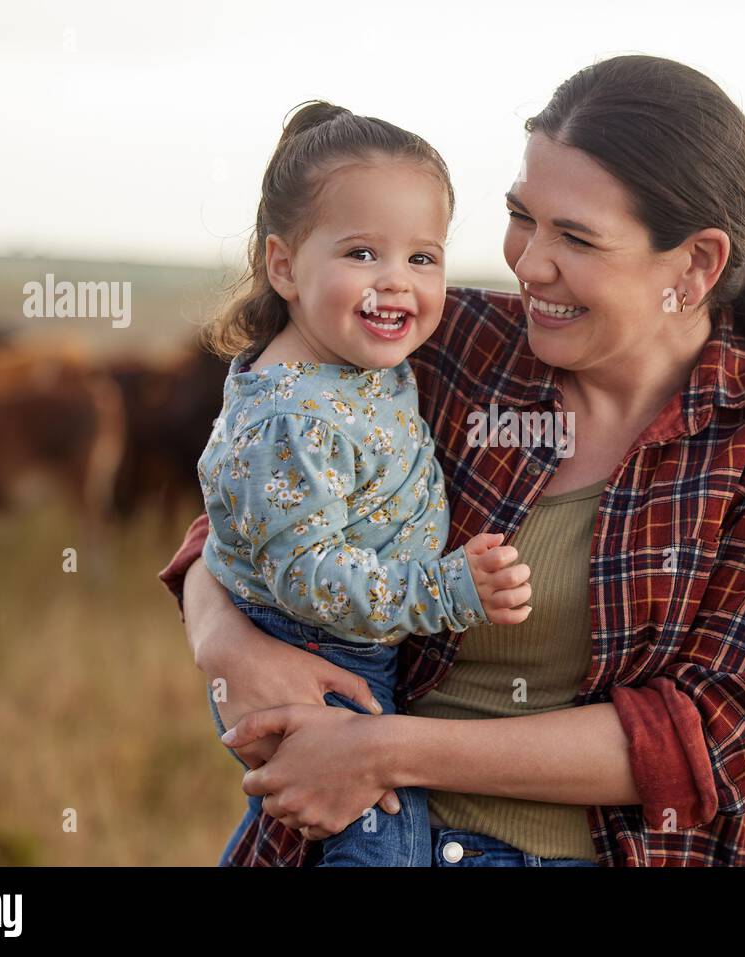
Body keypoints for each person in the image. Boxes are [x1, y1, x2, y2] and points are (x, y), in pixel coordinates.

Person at [160, 54, 745, 867]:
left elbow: (727, 735)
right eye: (520, 215)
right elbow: (259, 503)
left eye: (575, 236)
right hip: (334, 835)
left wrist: (383, 750)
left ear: (695, 265)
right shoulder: (445, 344)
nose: (528, 262)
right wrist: (228, 645)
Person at [194, 100, 532, 866]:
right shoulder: (291, 414)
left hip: (353, 647)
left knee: (333, 826)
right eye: (361, 254)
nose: (396, 285)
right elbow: (309, 574)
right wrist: (448, 591)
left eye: (422, 258)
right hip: (318, 647)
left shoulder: (346, 362)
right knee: (375, 839)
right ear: (283, 265)